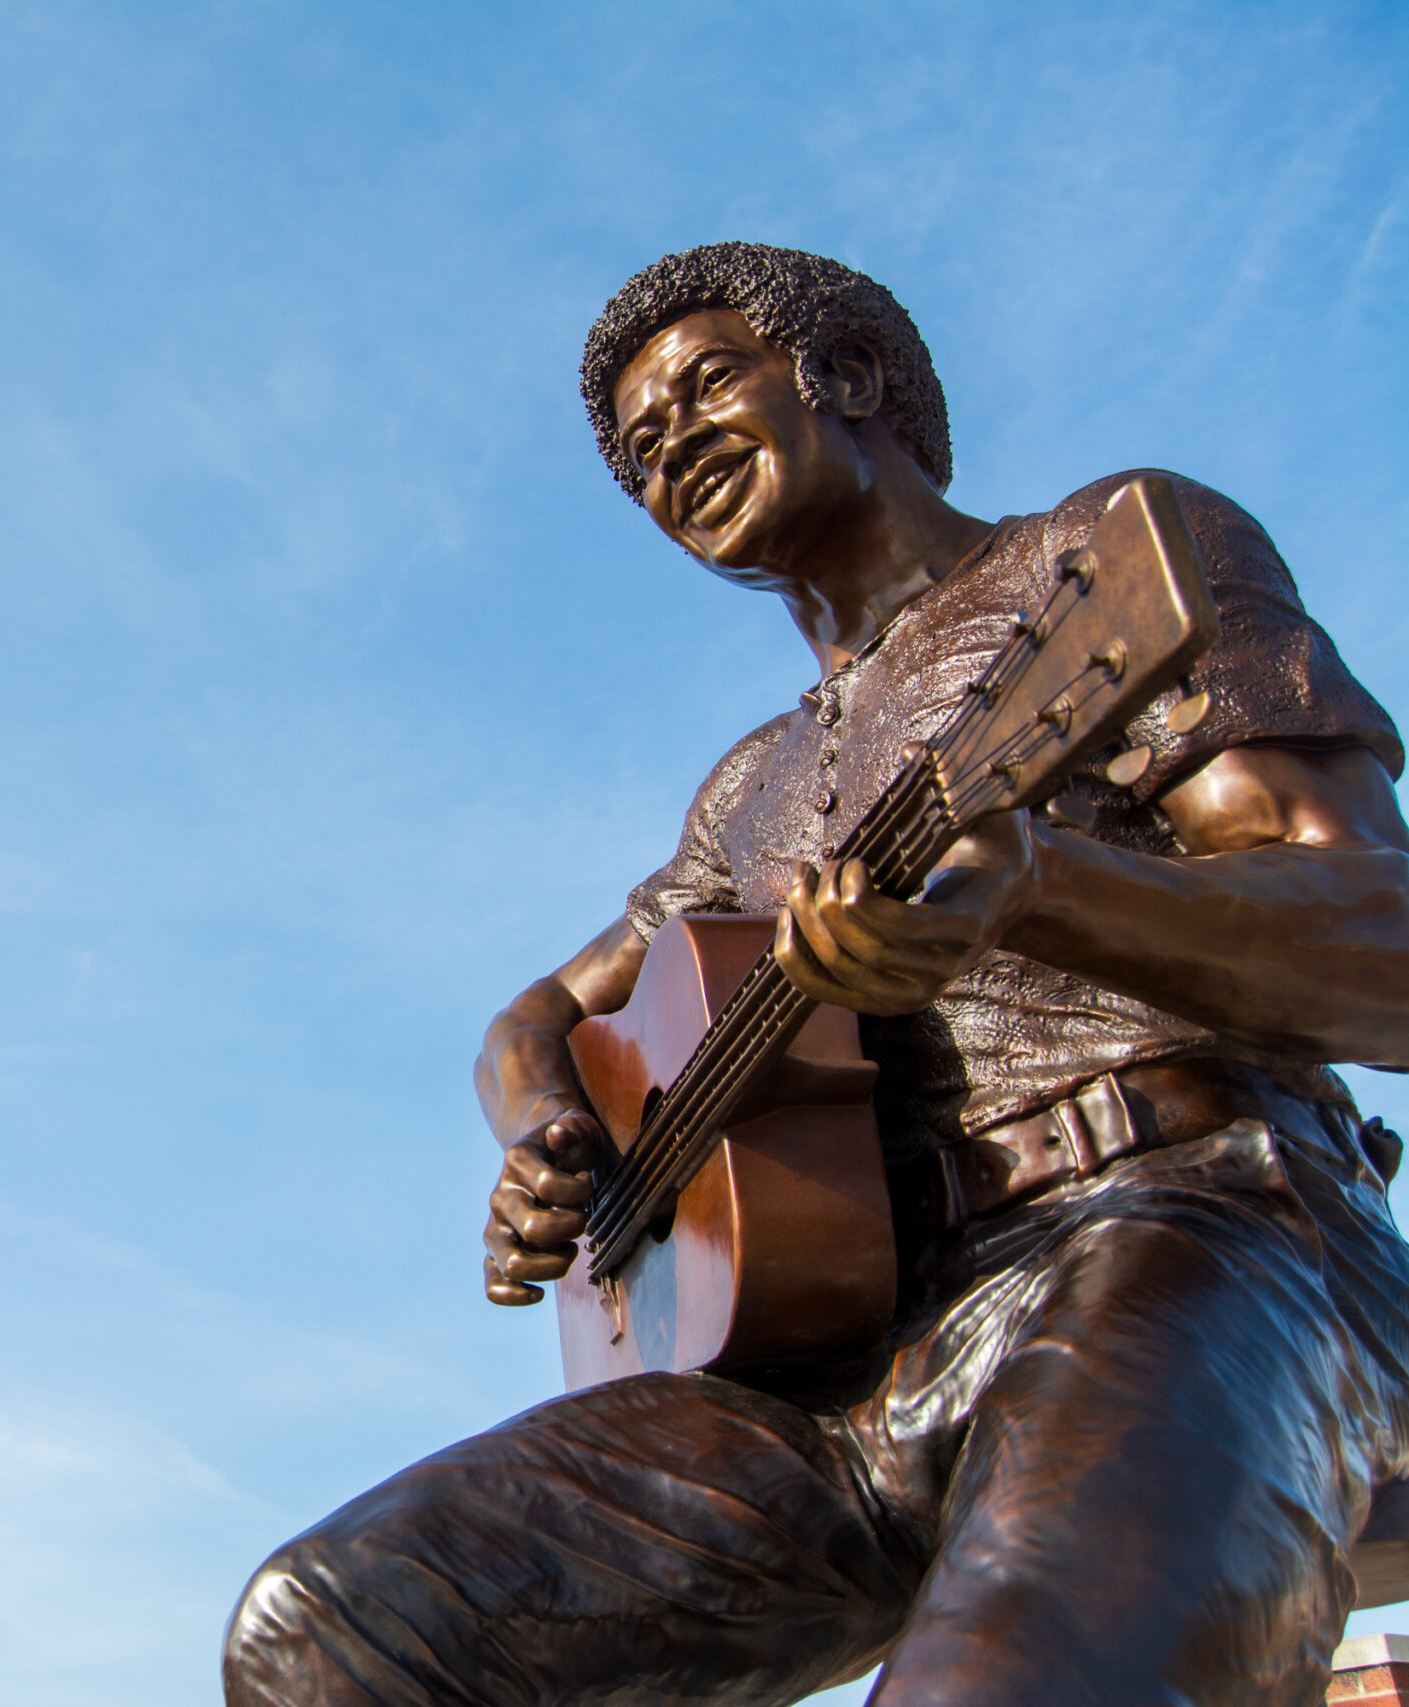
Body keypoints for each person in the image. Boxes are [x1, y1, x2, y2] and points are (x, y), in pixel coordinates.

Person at [222, 242, 1409, 1707]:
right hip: (843, 1356)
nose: (671, 455)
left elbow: (1386, 949)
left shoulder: (1103, 561)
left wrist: (1049, 892)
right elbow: (535, 1020)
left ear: (844, 374)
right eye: (641, 455)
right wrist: (549, 1131)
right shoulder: (750, 794)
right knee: (330, 1633)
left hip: (1196, 1230)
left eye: (705, 388)